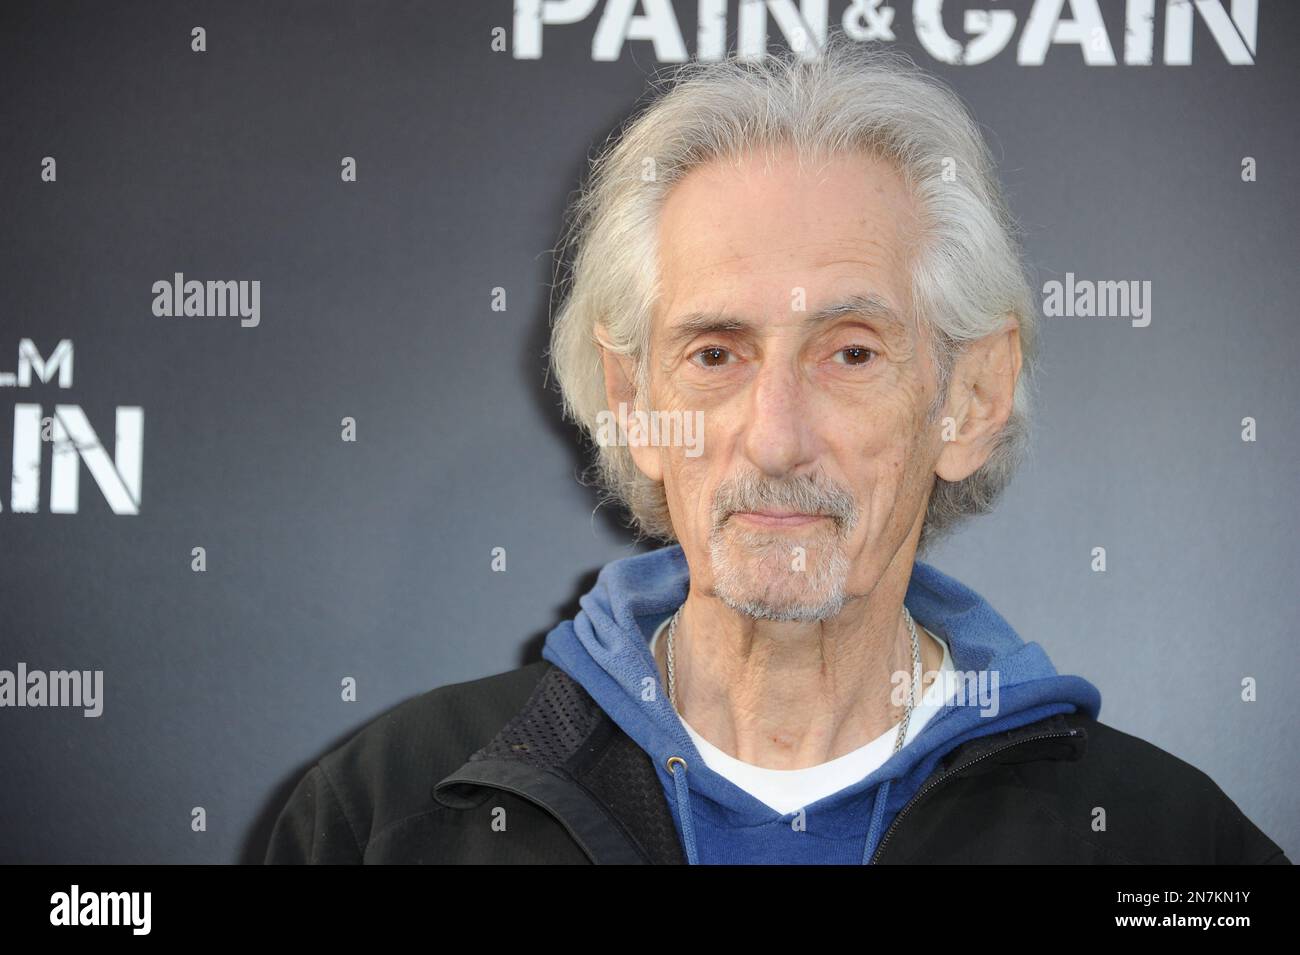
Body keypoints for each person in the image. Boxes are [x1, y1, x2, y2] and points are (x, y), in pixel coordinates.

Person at [264, 34, 1290, 865]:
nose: (777, 436)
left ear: (970, 397)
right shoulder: (384, 818)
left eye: (850, 351)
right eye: (715, 352)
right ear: (630, 399)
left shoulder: (1169, 846)